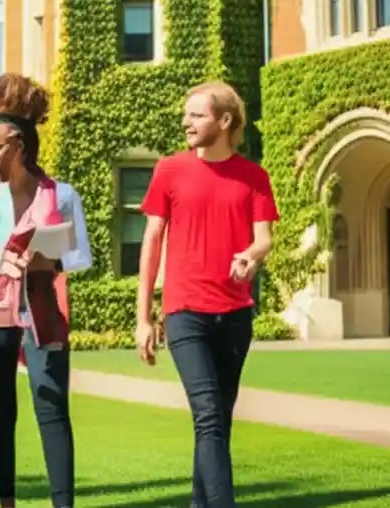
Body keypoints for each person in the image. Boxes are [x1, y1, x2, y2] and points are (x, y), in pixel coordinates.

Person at [0, 73, 92, 508]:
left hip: (41, 315)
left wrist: (48, 260)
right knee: (0, 413)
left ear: (20, 145)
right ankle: (6, 502)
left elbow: (79, 256)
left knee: (51, 407)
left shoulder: (61, 196)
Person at [134, 81, 277, 508]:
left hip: (235, 314)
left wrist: (251, 256)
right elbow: (152, 241)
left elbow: (264, 238)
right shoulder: (170, 170)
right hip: (185, 312)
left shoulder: (254, 177)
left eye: (196, 115)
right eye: (187, 114)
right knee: (210, 414)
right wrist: (144, 317)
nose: (186, 122)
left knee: (217, 420)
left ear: (225, 120)